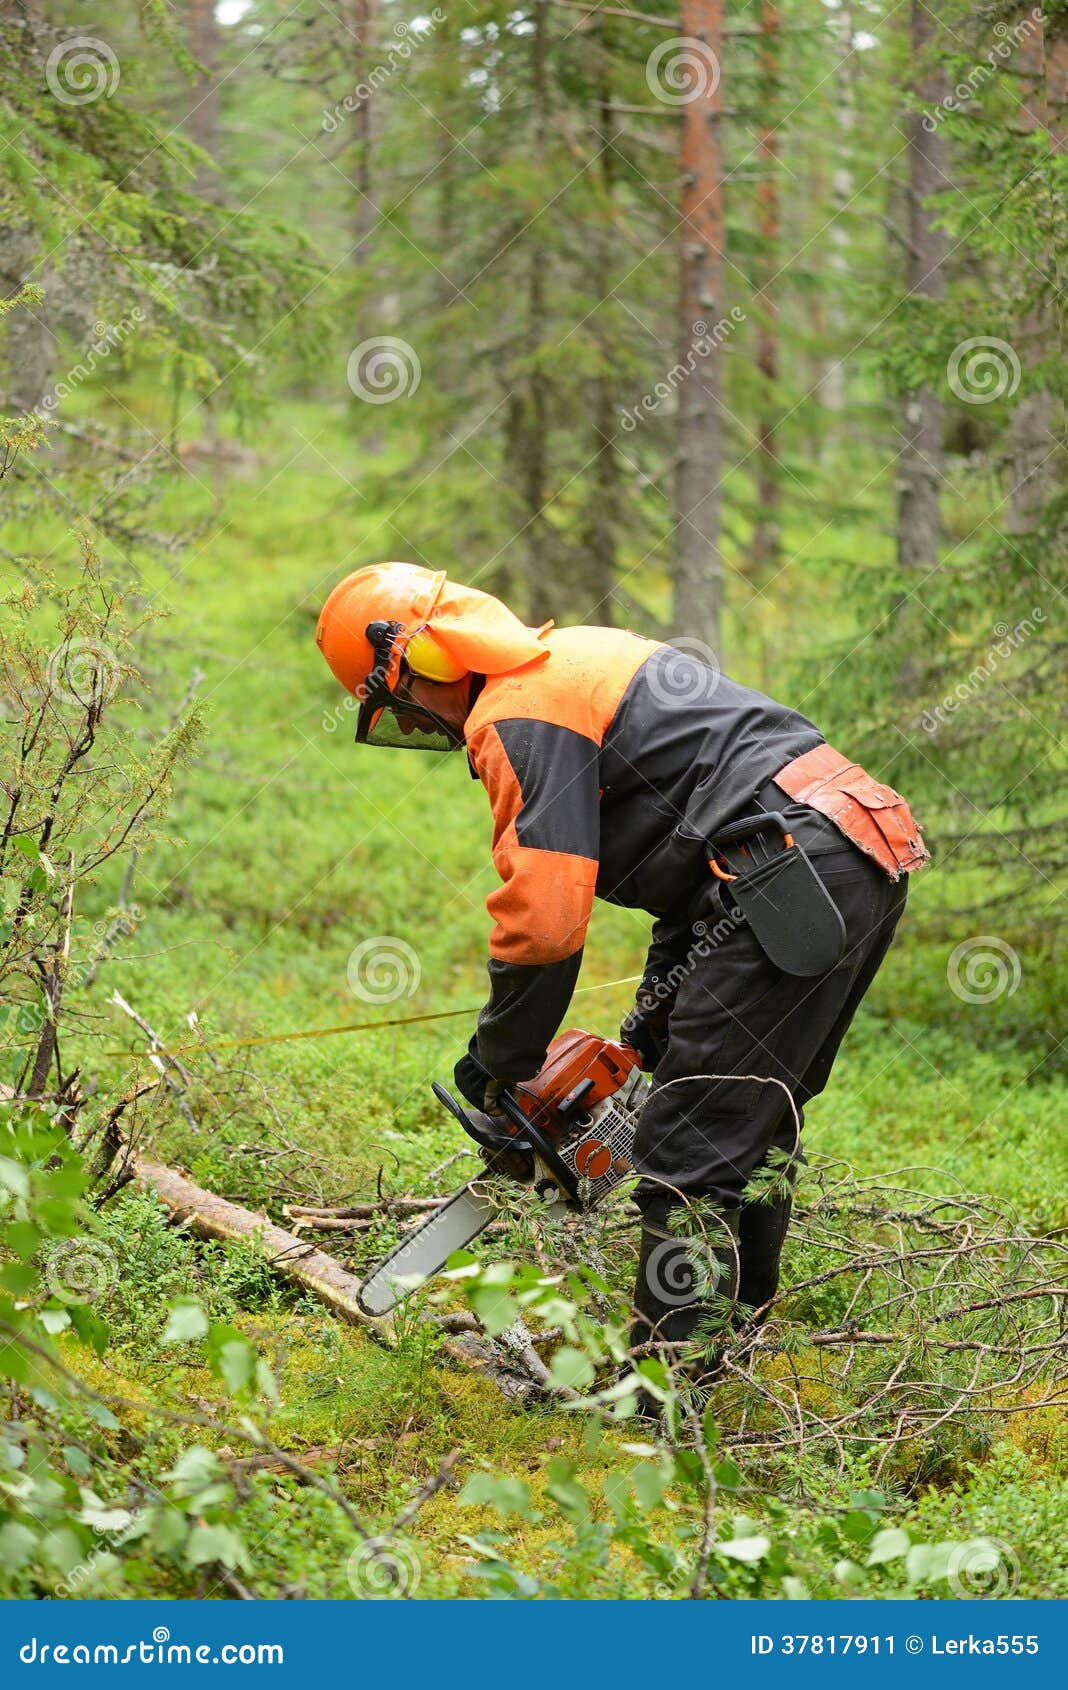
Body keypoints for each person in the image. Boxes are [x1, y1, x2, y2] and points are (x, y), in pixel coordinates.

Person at [316, 562, 929, 1378]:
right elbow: (703, 860)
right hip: (849, 852)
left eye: (396, 701)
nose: (414, 720)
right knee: (753, 1119)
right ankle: (731, 1341)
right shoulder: (575, 658)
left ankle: (665, 1397)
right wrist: (649, 1025)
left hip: (790, 869)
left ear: (417, 665)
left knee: (688, 1147)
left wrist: (503, 1062)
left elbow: (544, 913)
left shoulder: (518, 712)